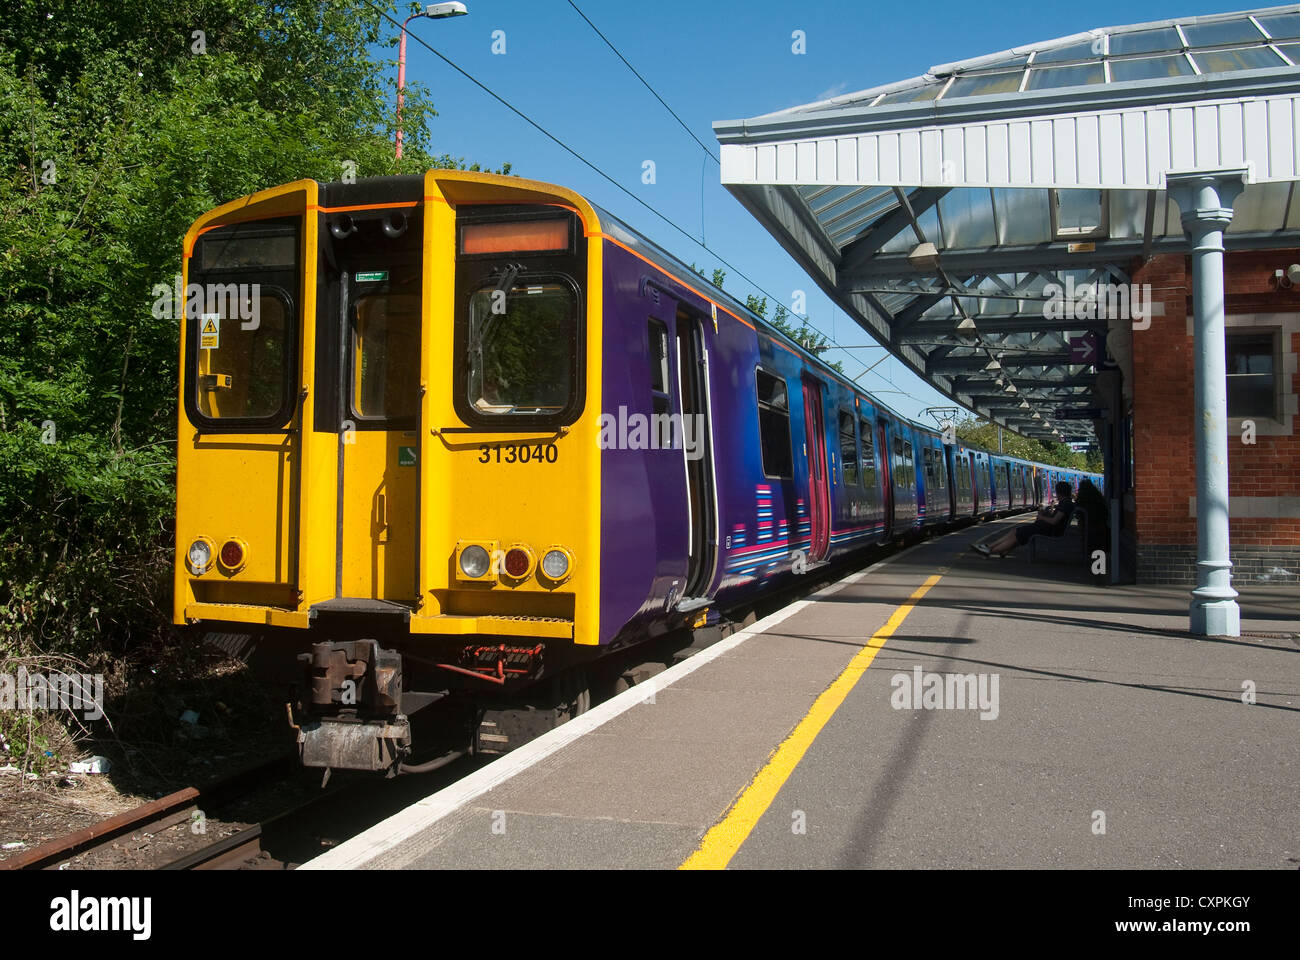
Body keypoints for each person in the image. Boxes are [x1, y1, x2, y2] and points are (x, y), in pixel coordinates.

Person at [971, 481, 1075, 557]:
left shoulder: (1065, 504)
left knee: (1018, 535)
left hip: (1049, 530)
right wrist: (1047, 512)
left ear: (1059, 492)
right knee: (1015, 531)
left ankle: (990, 550)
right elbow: (1055, 518)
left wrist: (1041, 517)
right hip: (1048, 529)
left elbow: (1054, 521)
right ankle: (990, 547)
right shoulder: (1066, 503)